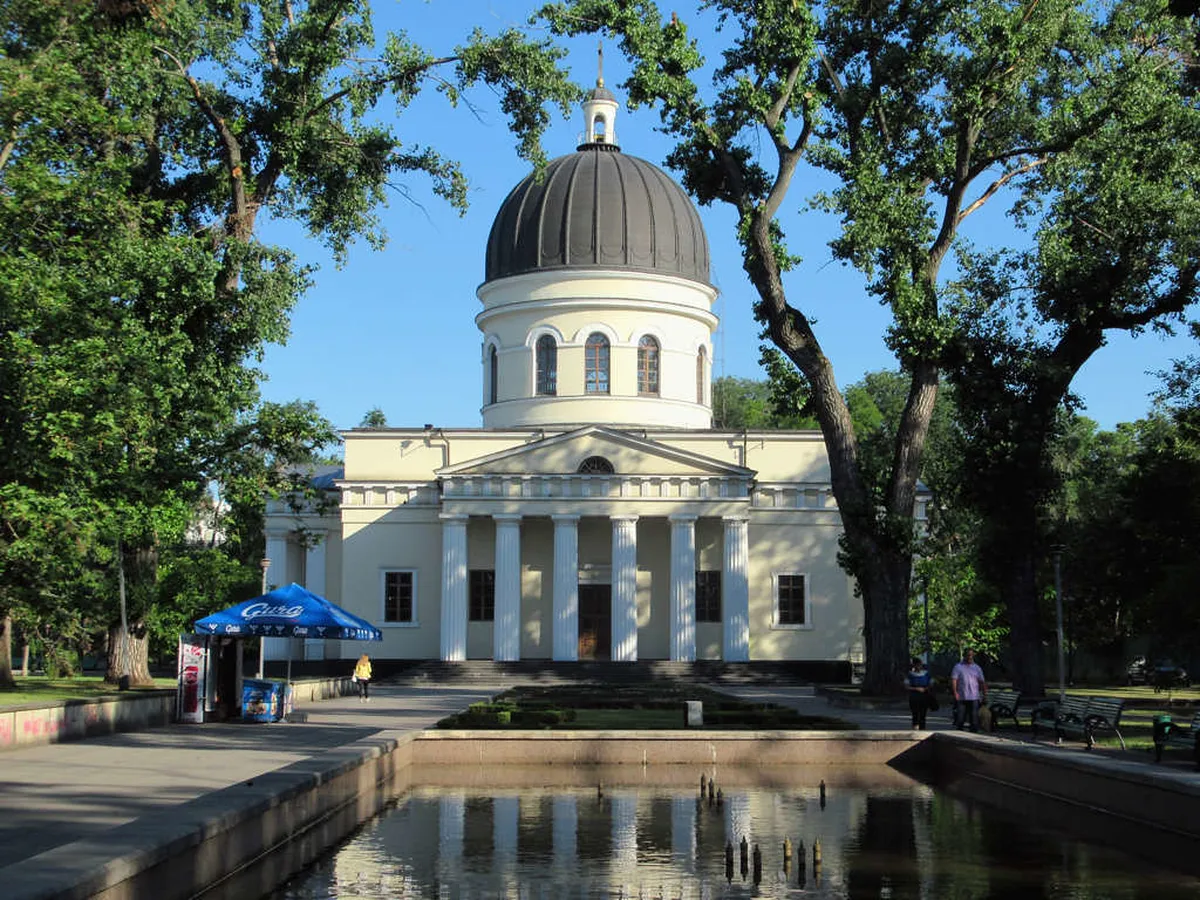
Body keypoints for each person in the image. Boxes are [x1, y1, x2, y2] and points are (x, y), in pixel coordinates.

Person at [951, 648, 987, 732]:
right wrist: (955, 692)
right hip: (962, 696)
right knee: (960, 719)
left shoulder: (977, 668)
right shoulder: (958, 667)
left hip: (974, 697)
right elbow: (954, 680)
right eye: (968, 655)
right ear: (964, 656)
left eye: (971, 655)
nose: (970, 657)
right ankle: (959, 735)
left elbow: (982, 682)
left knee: (974, 720)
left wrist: (985, 694)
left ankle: (973, 736)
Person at [905, 656, 932, 729]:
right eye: (916, 665)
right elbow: (906, 686)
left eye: (919, 665)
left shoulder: (926, 674)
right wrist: (916, 689)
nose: (918, 666)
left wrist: (926, 688)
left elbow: (930, 684)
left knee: (923, 713)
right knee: (915, 713)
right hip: (914, 695)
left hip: (924, 695)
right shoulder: (910, 674)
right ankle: (915, 727)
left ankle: (922, 727)